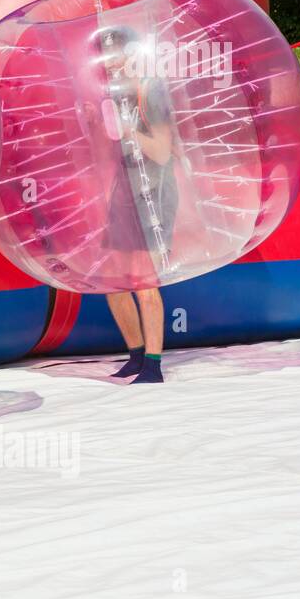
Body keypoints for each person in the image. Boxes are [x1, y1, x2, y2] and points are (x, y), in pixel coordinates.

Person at [97, 26, 178, 385]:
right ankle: (136, 354)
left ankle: (154, 365)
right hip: (124, 191)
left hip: (152, 191)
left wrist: (128, 131)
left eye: (114, 54)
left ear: (131, 54)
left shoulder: (150, 90)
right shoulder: (114, 94)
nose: (109, 63)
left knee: (145, 280)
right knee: (114, 281)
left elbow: (161, 151)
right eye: (104, 55)